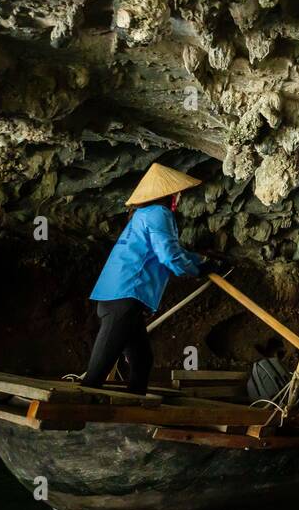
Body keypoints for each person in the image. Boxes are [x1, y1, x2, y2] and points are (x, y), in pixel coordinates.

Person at [83, 163, 207, 394]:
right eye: (178, 194)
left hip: (119, 298)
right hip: (125, 298)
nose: (179, 198)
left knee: (142, 360)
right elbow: (169, 255)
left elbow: (172, 249)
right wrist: (196, 271)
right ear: (169, 194)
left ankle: (134, 405)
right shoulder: (160, 213)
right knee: (98, 371)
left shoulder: (143, 215)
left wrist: (201, 261)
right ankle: (79, 406)